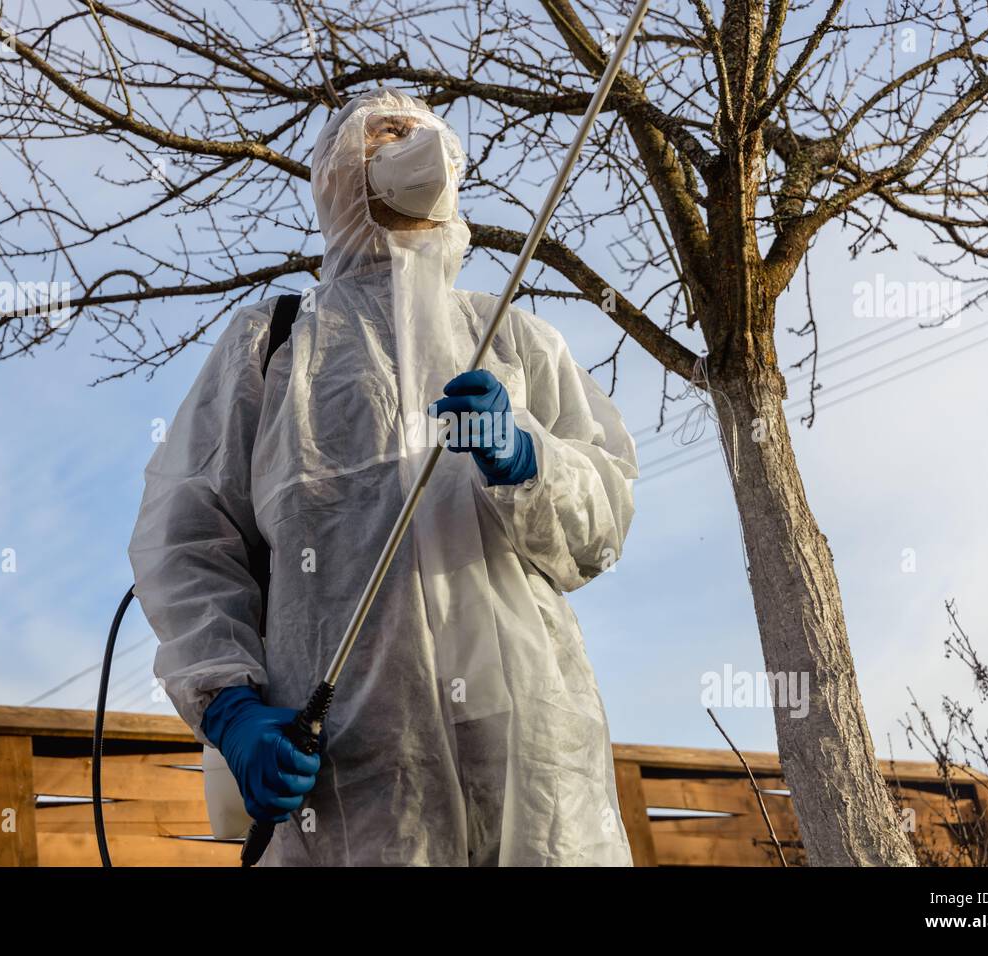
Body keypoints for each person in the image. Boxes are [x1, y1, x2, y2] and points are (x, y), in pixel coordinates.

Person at [129, 86, 638, 866]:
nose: (415, 144)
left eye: (424, 132)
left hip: (538, 768)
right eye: (387, 132)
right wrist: (229, 706)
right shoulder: (273, 345)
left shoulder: (512, 340)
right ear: (335, 175)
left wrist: (532, 462)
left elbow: (602, 519)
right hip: (355, 780)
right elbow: (186, 536)